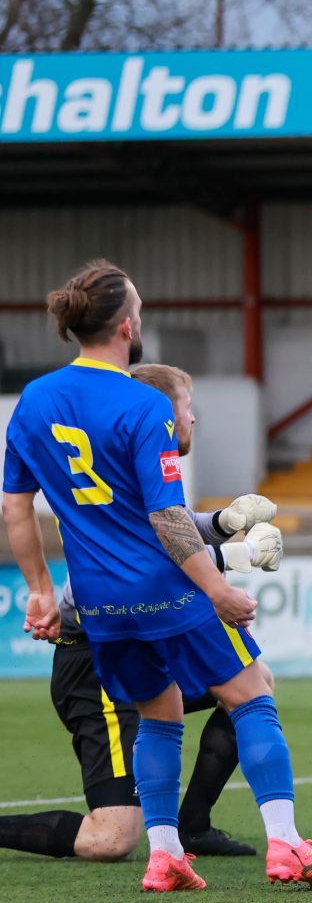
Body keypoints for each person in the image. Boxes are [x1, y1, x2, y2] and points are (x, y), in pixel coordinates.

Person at [2, 261, 312, 891]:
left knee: (159, 713)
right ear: (129, 326)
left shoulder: (35, 399)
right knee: (251, 693)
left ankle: (165, 855)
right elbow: (164, 513)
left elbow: (14, 507)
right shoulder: (144, 402)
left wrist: (40, 593)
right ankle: (289, 847)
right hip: (163, 591)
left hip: (100, 605)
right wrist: (217, 588)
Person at [0, 363, 270, 864]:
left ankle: (192, 826)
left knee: (253, 685)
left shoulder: (125, 459)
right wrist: (234, 557)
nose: (193, 418)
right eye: (188, 406)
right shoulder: (136, 441)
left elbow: (168, 528)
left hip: (133, 644)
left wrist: (225, 523)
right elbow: (137, 569)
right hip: (96, 667)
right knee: (112, 839)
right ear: (162, 412)